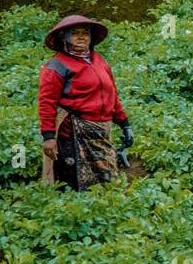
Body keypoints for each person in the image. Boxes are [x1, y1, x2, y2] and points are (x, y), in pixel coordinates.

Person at [38, 14, 133, 190]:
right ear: (64, 37)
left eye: (85, 33)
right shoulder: (57, 65)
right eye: (75, 33)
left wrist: (124, 123)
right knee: (72, 177)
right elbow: (47, 102)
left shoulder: (99, 60)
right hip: (73, 130)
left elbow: (112, 94)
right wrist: (49, 137)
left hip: (101, 129)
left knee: (107, 178)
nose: (82, 37)